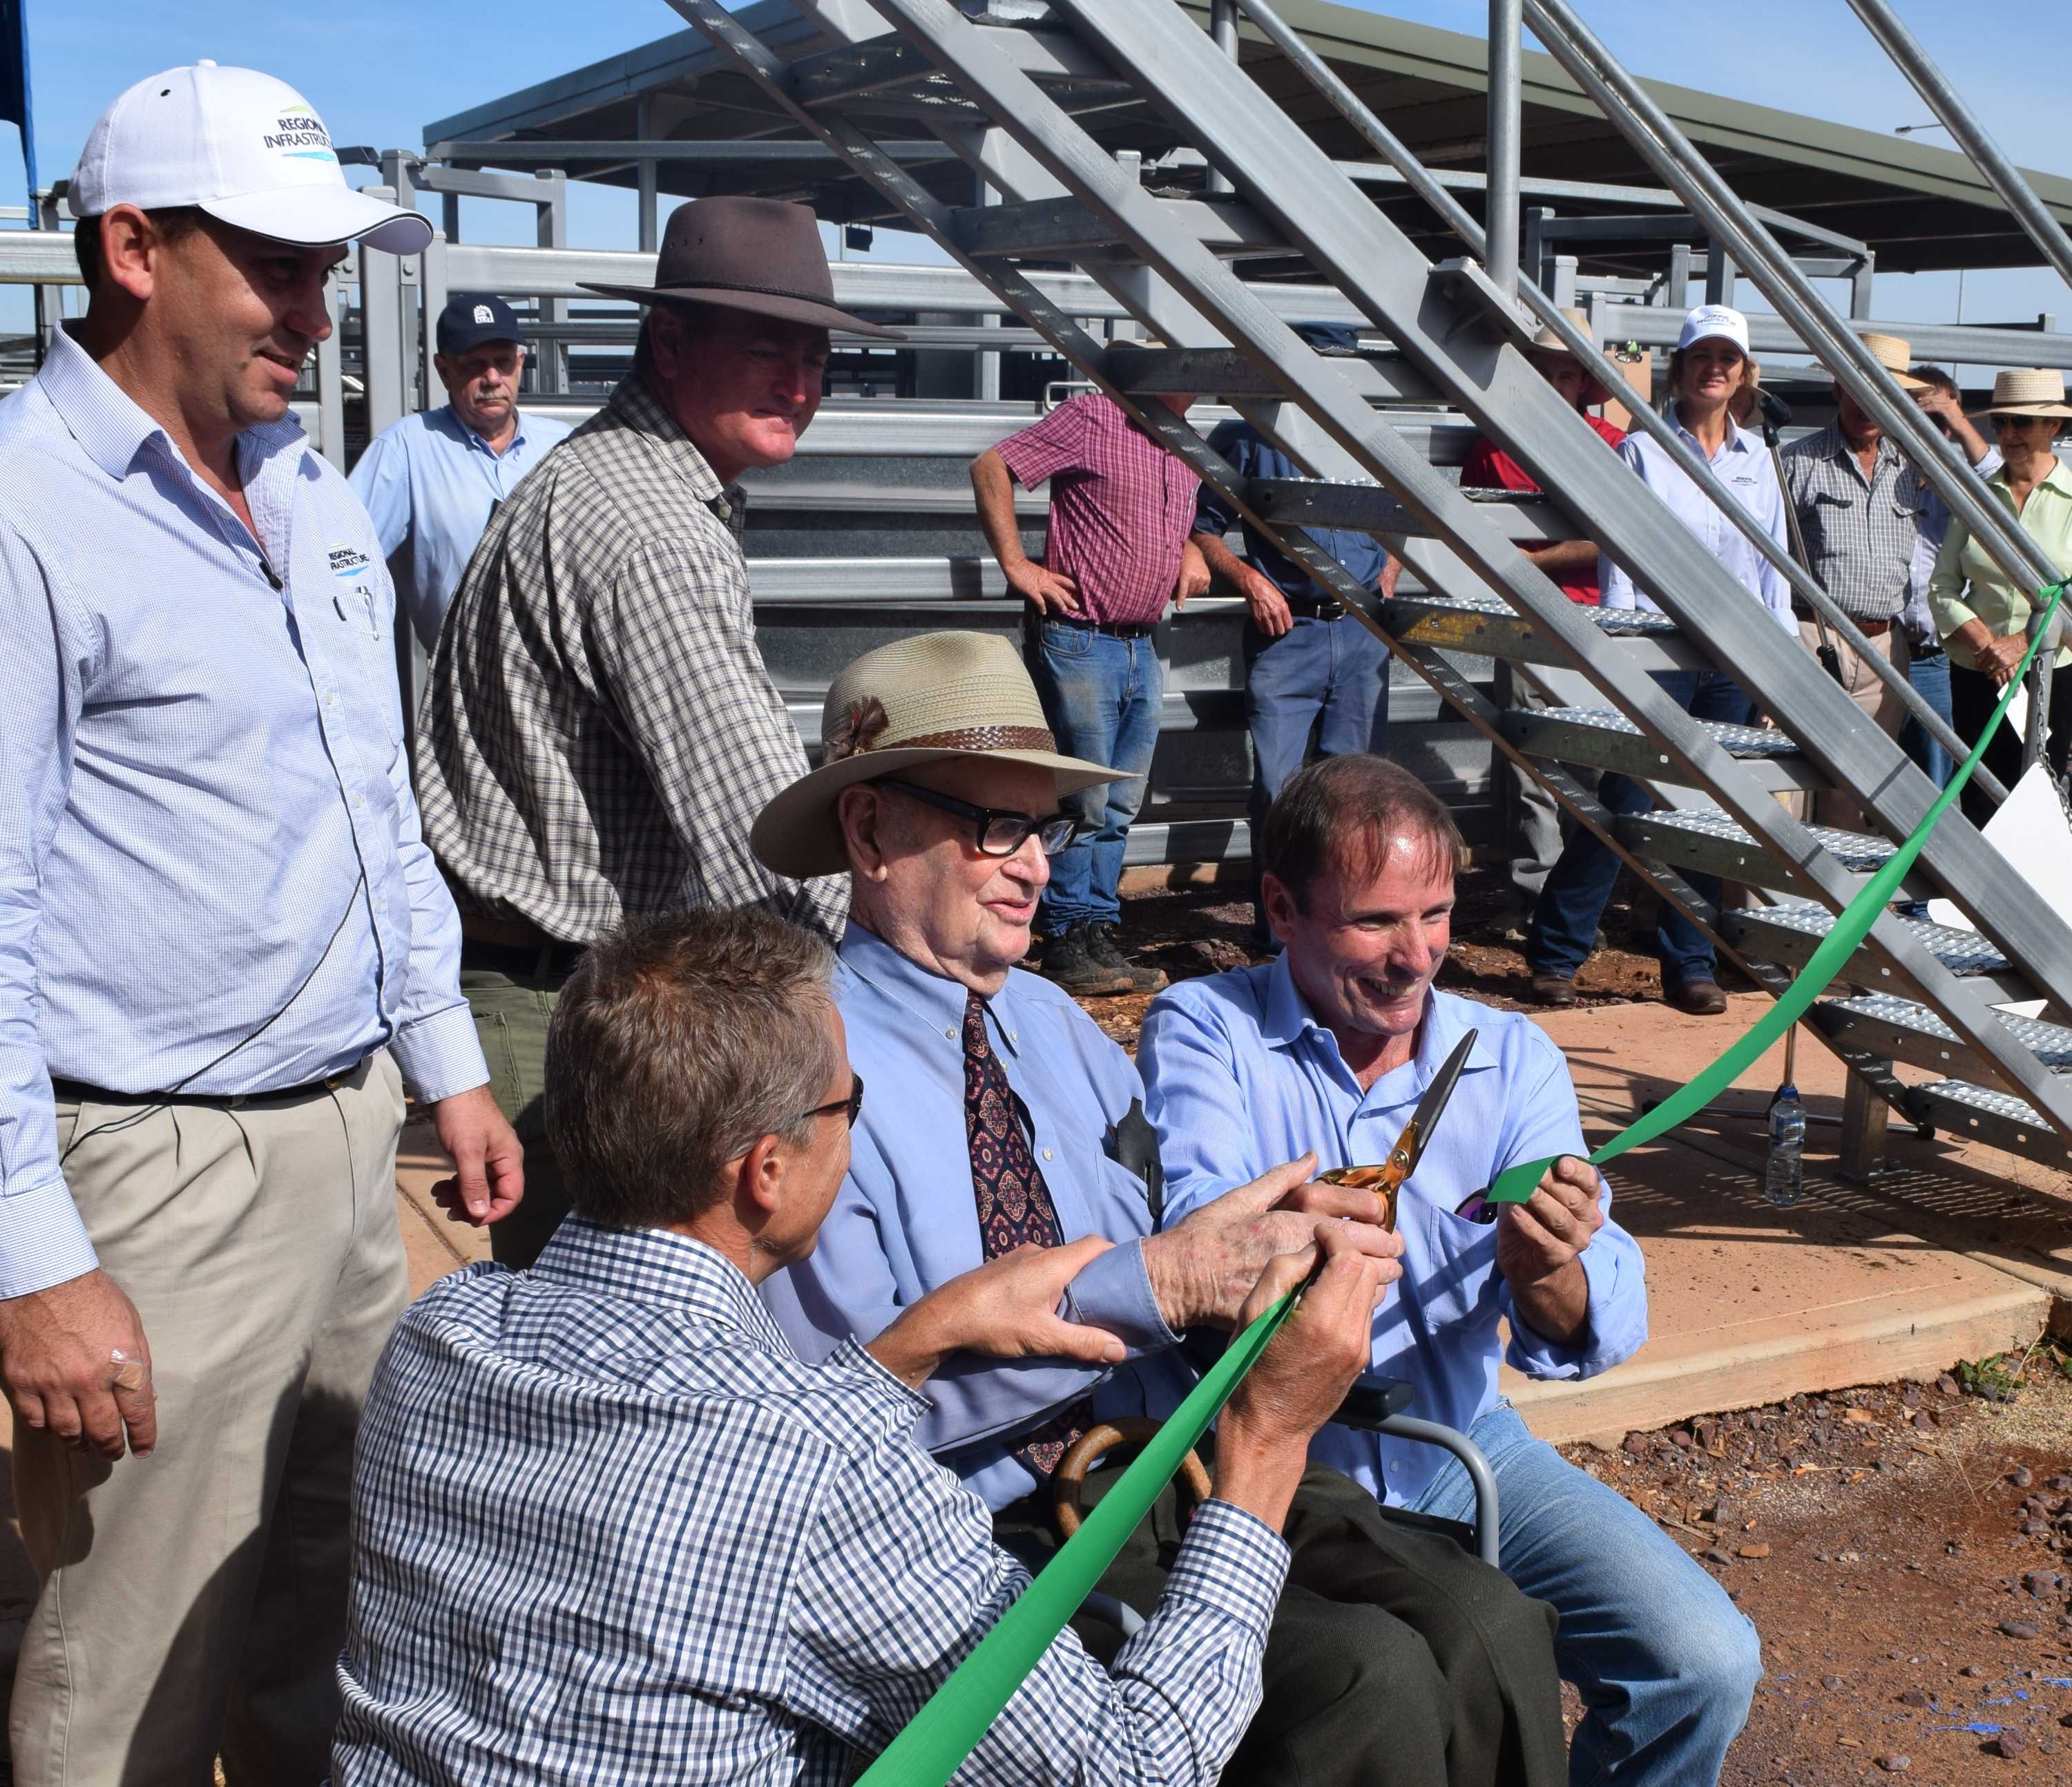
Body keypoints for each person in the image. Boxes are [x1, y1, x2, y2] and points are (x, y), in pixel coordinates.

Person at [756, 631, 1567, 1787]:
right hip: (992, 1526)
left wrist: (1274, 1231)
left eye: (1048, 830)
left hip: (1170, 1457)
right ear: (869, 830)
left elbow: (1169, 1248)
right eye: (995, 825)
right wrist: (1166, 1282)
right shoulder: (807, 1064)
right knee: (1367, 1678)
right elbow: (855, 1400)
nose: (1035, 867)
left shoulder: (1057, 1028)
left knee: (1492, 1623)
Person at [333, 904, 1392, 1786]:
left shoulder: (446, 1332)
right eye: (851, 1103)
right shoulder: (827, 1479)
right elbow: (1137, 1765)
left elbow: (719, 1477)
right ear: (766, 1171)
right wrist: (1263, 1445)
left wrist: (916, 1342)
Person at [0, 66, 524, 1786]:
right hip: (145, 1175)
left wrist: (441, 1062)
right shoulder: (24, 511)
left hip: (349, 1138)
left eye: (322, 269)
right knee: (128, 1667)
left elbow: (373, 808)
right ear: (133, 248)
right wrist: (35, 1261)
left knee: (344, 1604)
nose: (314, 310)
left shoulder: (303, 491)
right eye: (278, 269)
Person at [1140, 752, 1763, 1787]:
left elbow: (1592, 1306)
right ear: (1283, 906)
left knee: (1704, 1662)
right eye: (1376, 921)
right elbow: (1206, 1240)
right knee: (1413, 1689)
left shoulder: (1510, 1055)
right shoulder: (1208, 1029)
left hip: (1468, 1440)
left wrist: (1546, 1268)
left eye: (1435, 915)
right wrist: (1295, 1234)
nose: (1416, 955)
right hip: (1287, 1458)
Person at [415, 195, 896, 1268]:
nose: (802, 383)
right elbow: (767, 846)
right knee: (612, 1349)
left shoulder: (613, 477)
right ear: (670, 342)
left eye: (817, 355)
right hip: (571, 1007)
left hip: (567, 983)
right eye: (768, 347)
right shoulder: (647, 527)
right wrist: (898, 983)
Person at [1526, 303, 1792, 1016]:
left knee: (1704, 816)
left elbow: (1773, 565)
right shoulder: (1644, 450)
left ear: (1742, 374)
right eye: (1702, 356)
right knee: (1626, 804)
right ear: (1679, 368)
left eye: (1727, 358)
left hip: (1732, 656)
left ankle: (1690, 964)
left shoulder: (1760, 460)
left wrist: (1779, 658)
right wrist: (1627, 652)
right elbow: (1623, 558)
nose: (1715, 368)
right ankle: (1556, 952)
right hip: (1662, 651)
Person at [970, 387, 1211, 996]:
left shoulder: (1187, 442)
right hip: (1081, 637)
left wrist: (1184, 548)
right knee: (1083, 800)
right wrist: (1017, 565)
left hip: (1140, 642)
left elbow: (1164, 518)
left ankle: (1098, 928)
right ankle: (1065, 936)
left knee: (1122, 802)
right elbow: (992, 466)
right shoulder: (1093, 414)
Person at [1189, 323, 1401, 950]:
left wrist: (1389, 564)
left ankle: (1349, 925)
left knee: (1358, 790)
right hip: (1290, 635)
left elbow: (1403, 510)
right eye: (1323, 365)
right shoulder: (1247, 434)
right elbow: (1203, 527)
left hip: (1361, 634)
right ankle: (1280, 937)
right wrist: (1250, 580)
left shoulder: (1366, 435)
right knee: (1278, 793)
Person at [1459, 308, 1627, 943]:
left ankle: (1573, 905)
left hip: (1594, 619)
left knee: (1588, 766)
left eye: (1567, 375)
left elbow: (1617, 541)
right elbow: (1477, 528)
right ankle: (1537, 900)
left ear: (1585, 384)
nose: (1557, 385)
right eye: (1546, 372)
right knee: (1532, 766)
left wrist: (1535, 560)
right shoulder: (1494, 445)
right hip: (1530, 621)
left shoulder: (1614, 448)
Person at [349, 292, 574, 653]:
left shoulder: (563, 446)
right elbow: (347, 560)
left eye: (502, 363)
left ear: (520, 364)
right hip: (466, 685)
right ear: (443, 370)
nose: (492, 378)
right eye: (474, 364)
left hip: (561, 683)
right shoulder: (406, 449)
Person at [1777, 333, 1932, 833]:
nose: (1869, 402)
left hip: (1884, 646)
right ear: (1837, 388)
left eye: (1884, 390)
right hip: (1807, 636)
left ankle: (1839, 910)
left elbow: (1987, 479)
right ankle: (1769, 911)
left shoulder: (1917, 469)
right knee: (1785, 788)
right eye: (1859, 386)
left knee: (1857, 797)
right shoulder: (1798, 461)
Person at [1929, 367, 2072, 828]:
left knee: (2040, 814)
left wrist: (2021, 644)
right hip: (1978, 676)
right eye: (2001, 422)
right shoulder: (1977, 498)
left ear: (2054, 426)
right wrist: (1987, 645)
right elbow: (1942, 586)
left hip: (2055, 681)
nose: (2009, 433)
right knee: (1980, 808)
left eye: (2023, 422)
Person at [1902, 365, 2002, 787]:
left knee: (1934, 784)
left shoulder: (1961, 485)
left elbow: (2001, 490)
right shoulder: (1879, 472)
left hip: (1930, 659)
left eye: (1939, 420)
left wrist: (1959, 421)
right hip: (1868, 649)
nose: (1929, 430)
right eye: (1918, 416)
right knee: (1853, 782)